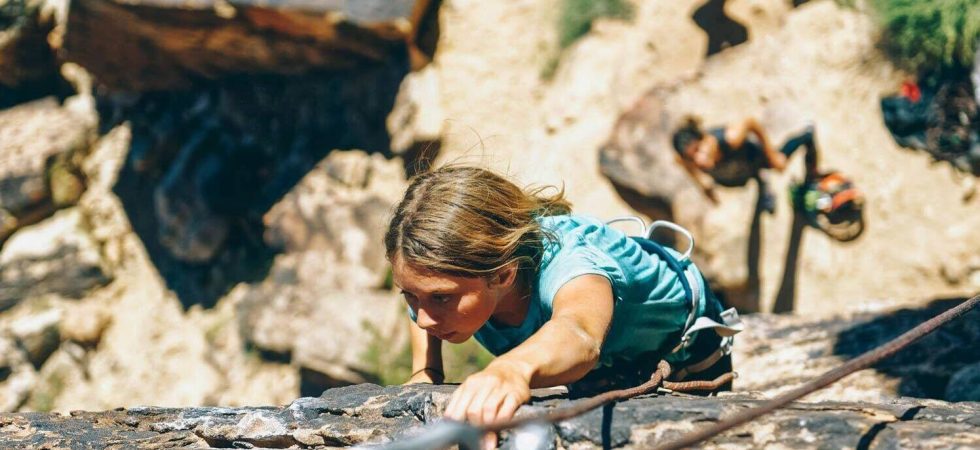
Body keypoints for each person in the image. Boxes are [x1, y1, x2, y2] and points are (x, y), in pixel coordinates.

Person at [384, 166, 739, 449]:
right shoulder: (447, 284)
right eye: (410, 296)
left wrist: (511, 369)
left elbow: (580, 332)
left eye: (442, 299)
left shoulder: (573, 265)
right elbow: (424, 293)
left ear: (505, 275)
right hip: (605, 362)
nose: (424, 317)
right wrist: (426, 369)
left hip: (686, 350)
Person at [671, 116, 818, 213]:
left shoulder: (731, 139)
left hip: (750, 156)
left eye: (698, 149)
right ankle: (762, 183)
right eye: (692, 157)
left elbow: (750, 123)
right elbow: (683, 164)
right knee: (746, 178)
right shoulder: (686, 160)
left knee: (780, 161)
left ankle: (806, 134)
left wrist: (772, 155)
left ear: (706, 139)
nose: (699, 160)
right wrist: (703, 187)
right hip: (735, 171)